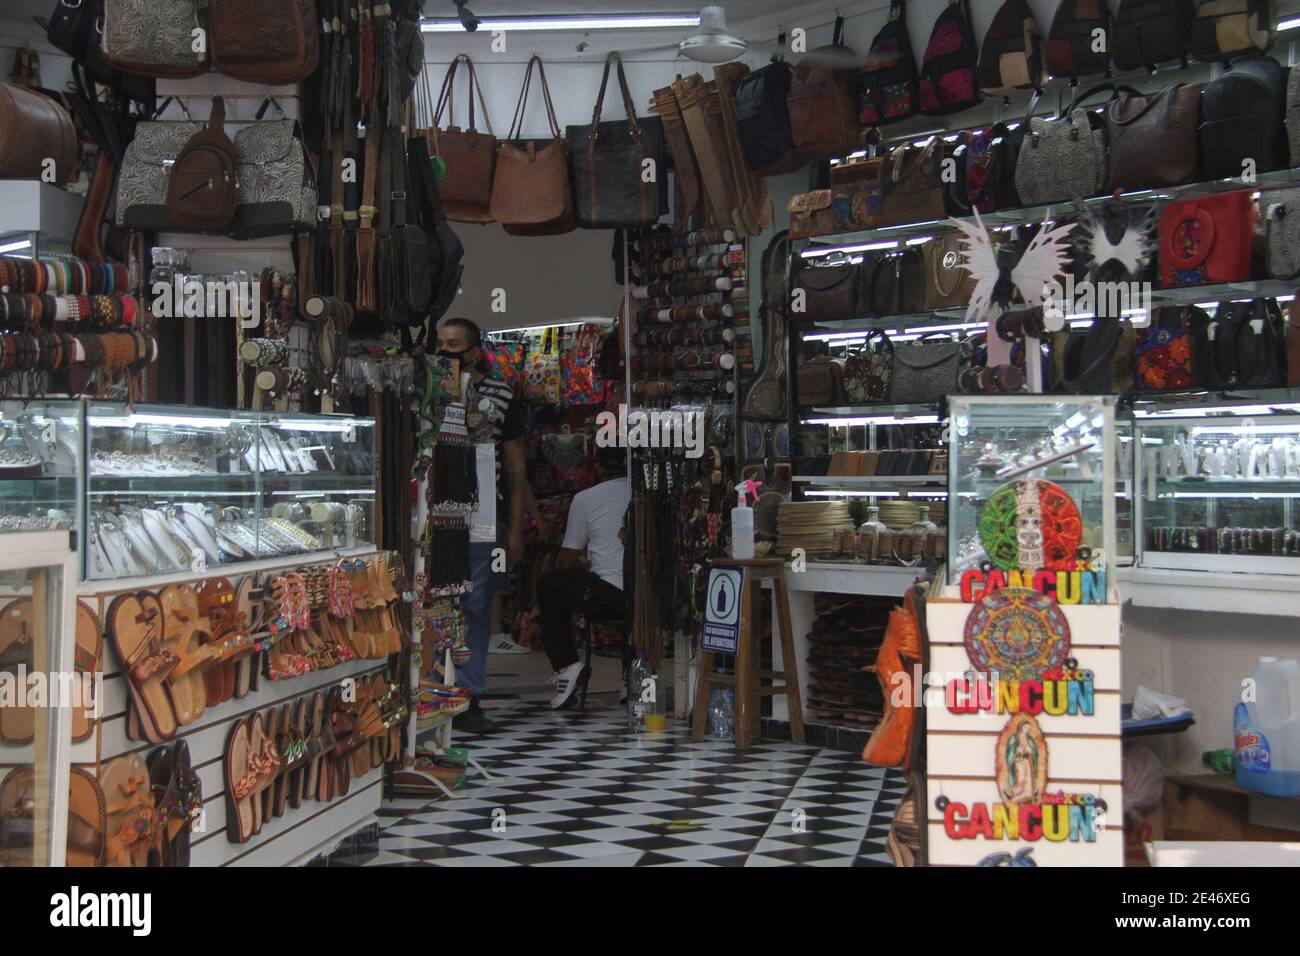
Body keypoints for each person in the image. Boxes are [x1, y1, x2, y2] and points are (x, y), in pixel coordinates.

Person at [434, 317, 543, 732]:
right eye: (442, 343)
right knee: (435, 601)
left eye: (455, 343)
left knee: (476, 603)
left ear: (475, 350)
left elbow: (516, 469)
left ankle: (468, 694)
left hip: (483, 513)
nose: (447, 351)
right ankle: (431, 688)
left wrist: (515, 528)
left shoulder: (500, 394)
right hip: (433, 510)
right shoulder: (427, 391)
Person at [536, 447, 630, 710]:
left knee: (548, 585)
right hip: (645, 594)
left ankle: (567, 664)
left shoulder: (586, 498)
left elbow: (565, 561)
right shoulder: (644, 493)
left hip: (609, 594)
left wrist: (581, 562)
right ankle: (630, 677)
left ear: (596, 467)